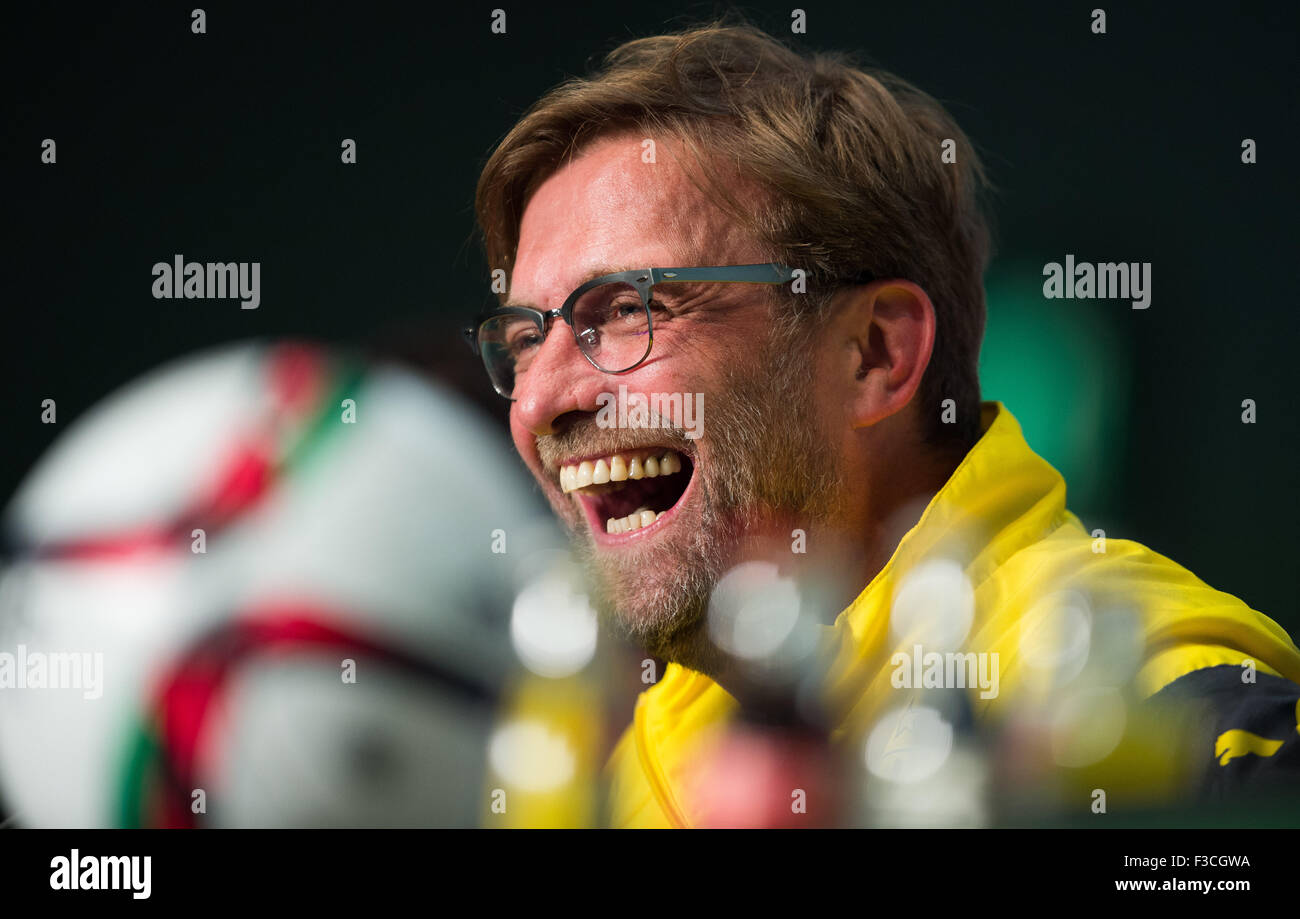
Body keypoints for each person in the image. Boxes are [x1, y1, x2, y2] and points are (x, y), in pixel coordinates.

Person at [465, 21, 1300, 827]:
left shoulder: (1164, 721)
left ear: (874, 354)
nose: (541, 401)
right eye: (525, 339)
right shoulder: (606, 757)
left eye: (622, 311)